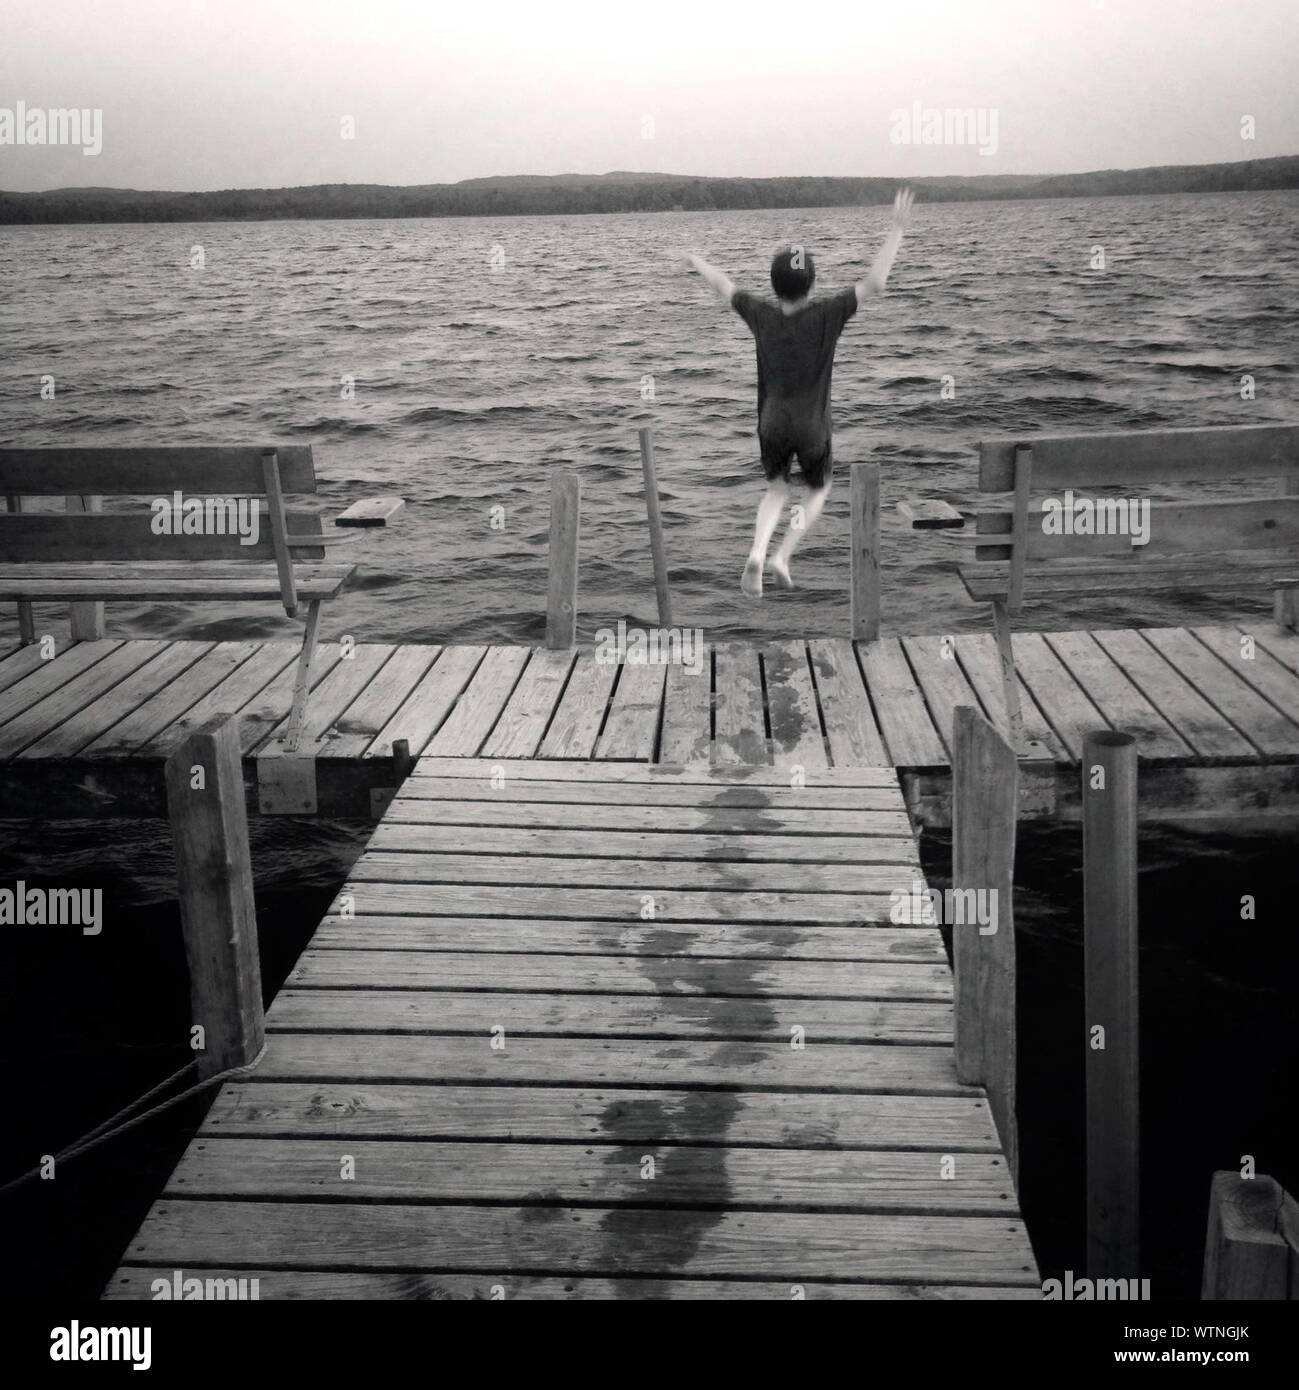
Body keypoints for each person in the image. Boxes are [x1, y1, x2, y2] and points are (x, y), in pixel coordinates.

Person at [687, 188, 914, 597]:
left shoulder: (760, 315)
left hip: (771, 422)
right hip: (812, 427)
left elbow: (724, 285)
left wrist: (695, 260)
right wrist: (897, 228)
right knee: (819, 489)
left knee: (776, 489)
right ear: (811, 284)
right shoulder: (828, 314)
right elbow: (877, 281)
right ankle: (782, 556)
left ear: (774, 287)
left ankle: (757, 550)